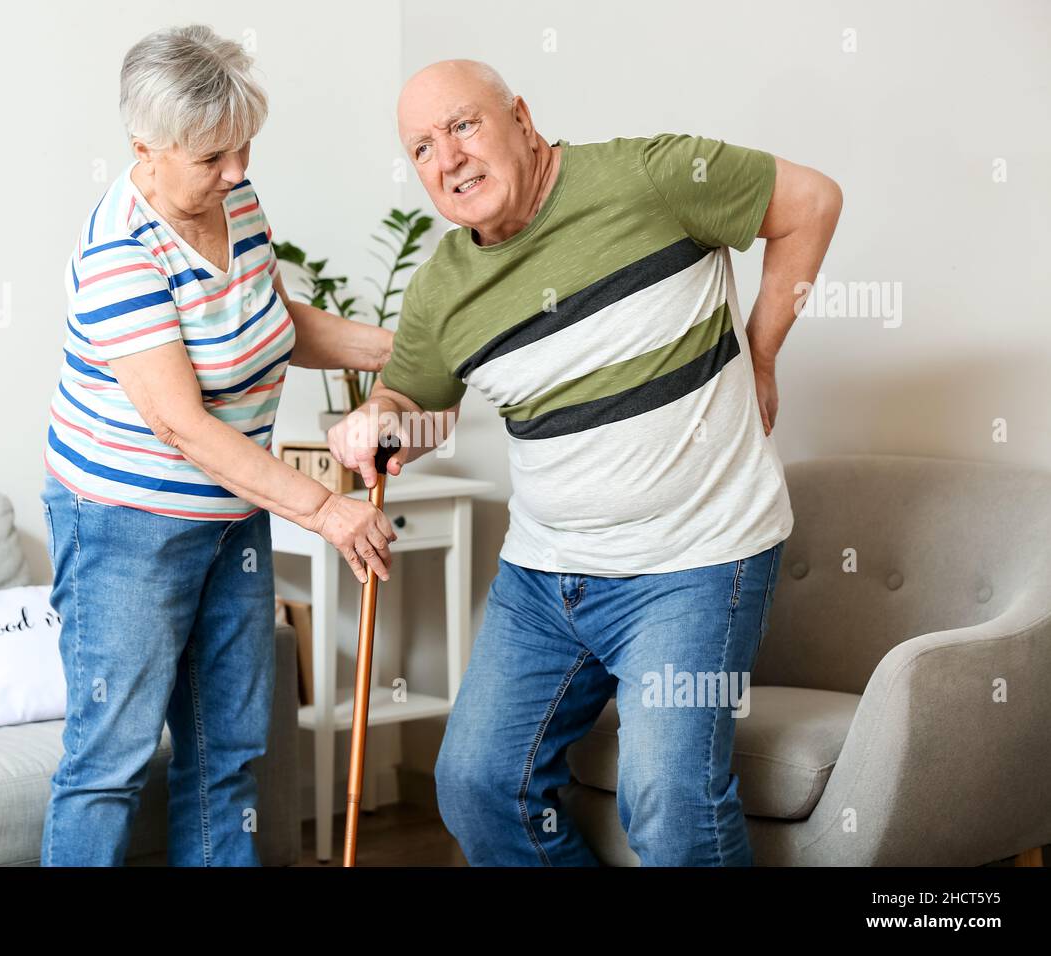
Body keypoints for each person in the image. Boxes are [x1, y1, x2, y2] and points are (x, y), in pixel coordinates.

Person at [328, 59, 842, 865]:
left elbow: (811, 202)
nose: (450, 158)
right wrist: (377, 421)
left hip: (696, 563)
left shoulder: (654, 177)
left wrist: (762, 356)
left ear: (522, 120)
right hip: (546, 577)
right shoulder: (442, 290)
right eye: (423, 148)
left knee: (669, 796)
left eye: (464, 125)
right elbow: (420, 421)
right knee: (475, 785)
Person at [40, 24, 396, 866]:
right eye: (212, 158)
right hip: (127, 524)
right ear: (147, 149)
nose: (236, 172)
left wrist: (397, 348)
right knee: (110, 762)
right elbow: (180, 424)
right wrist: (326, 511)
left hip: (234, 511)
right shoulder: (119, 254)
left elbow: (275, 323)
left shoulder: (233, 200)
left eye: (244, 150)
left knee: (229, 753)